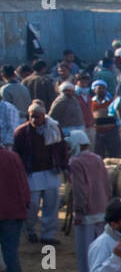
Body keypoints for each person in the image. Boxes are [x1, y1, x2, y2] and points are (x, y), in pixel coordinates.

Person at [13, 102, 68, 245]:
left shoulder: (54, 129)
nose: (33, 120)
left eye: (36, 117)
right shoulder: (21, 132)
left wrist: (65, 167)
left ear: (43, 116)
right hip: (32, 174)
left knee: (51, 205)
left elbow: (62, 150)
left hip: (51, 171)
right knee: (32, 205)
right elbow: (16, 154)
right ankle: (29, 230)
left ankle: (47, 235)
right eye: (31, 117)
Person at [67, 144, 112, 272]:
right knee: (101, 243)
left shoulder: (75, 162)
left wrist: (79, 210)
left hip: (87, 211)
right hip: (102, 206)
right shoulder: (97, 158)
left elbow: (79, 188)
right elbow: (107, 182)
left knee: (85, 245)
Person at [0, 143, 31, 272]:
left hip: (10, 212)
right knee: (10, 250)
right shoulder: (12, 157)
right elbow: (23, 183)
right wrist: (25, 202)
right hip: (12, 212)